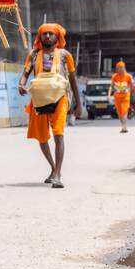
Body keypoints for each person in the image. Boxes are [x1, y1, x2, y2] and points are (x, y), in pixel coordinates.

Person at [18, 23, 82, 188]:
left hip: (60, 98)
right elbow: (25, 73)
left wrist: (78, 103)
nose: (47, 36)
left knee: (59, 135)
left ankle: (58, 174)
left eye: (51, 34)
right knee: (42, 137)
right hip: (39, 100)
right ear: (40, 37)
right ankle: (53, 169)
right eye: (44, 34)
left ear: (57, 37)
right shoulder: (33, 55)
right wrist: (21, 84)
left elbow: (73, 79)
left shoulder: (65, 55)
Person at [111, 60, 134, 133]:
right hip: (117, 97)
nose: (118, 69)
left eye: (120, 68)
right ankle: (123, 126)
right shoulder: (114, 76)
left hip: (125, 97)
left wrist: (131, 91)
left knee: (124, 111)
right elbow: (111, 86)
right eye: (117, 68)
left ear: (123, 68)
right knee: (119, 113)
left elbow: (132, 85)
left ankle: (124, 127)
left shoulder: (128, 76)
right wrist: (109, 95)